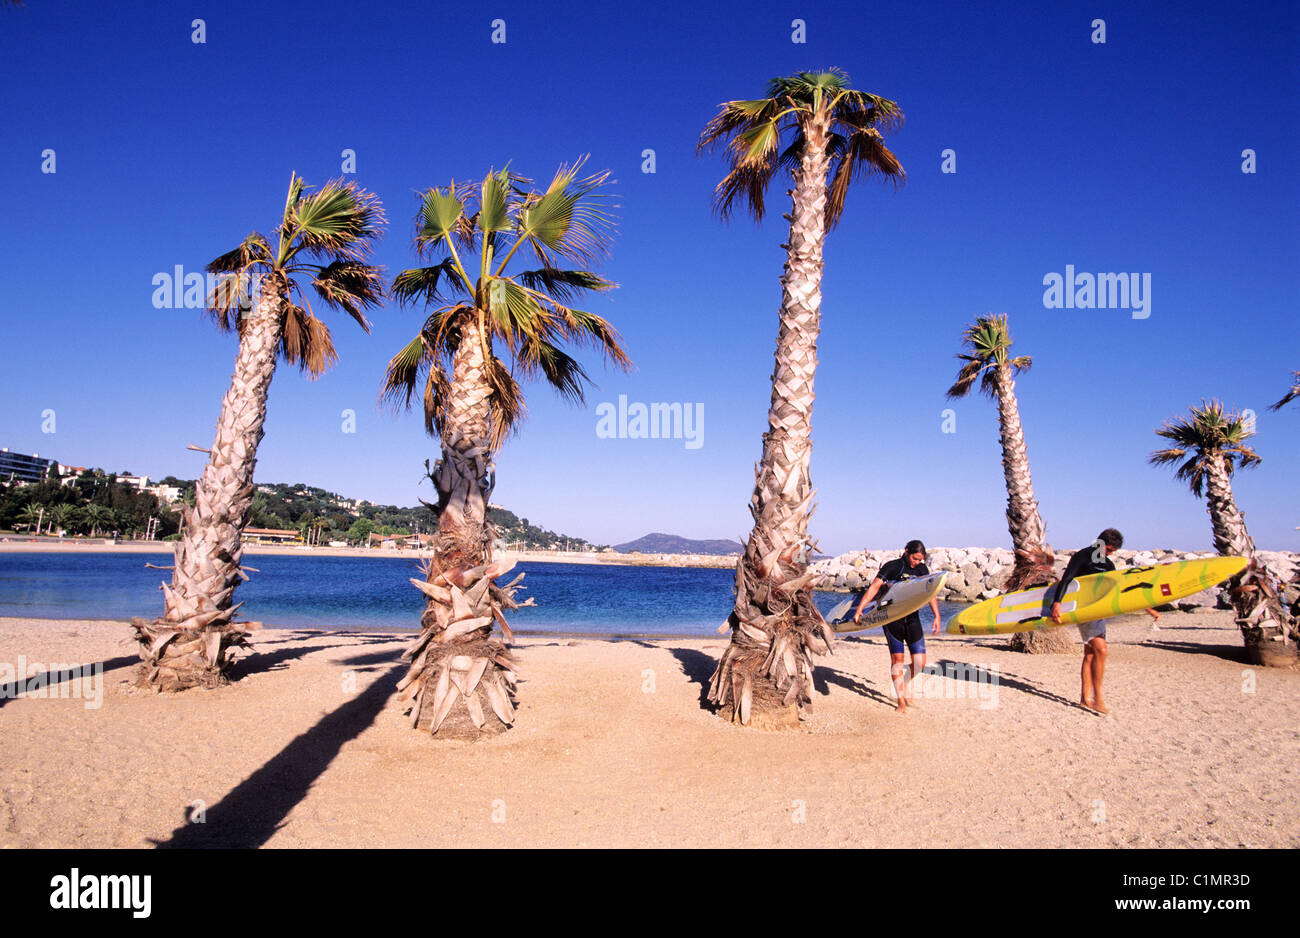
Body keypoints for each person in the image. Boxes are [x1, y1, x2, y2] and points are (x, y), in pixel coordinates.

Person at [854, 539, 941, 712]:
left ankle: (903, 681)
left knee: (920, 662)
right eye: (915, 558)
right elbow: (874, 587)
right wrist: (860, 609)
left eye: (920, 560)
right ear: (906, 551)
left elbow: (930, 593)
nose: (917, 563)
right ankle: (900, 700)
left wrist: (937, 615)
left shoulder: (923, 569)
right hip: (892, 619)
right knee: (898, 661)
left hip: (913, 619)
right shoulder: (893, 566)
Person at [1050, 528, 1123, 714]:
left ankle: (1084, 698)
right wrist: (1057, 604)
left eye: (1113, 552)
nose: (1111, 554)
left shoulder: (1108, 564)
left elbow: (1116, 589)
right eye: (1110, 550)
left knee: (1091, 653)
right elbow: (1066, 579)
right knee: (1102, 650)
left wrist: (1147, 606)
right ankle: (1098, 699)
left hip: (1099, 611)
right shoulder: (1082, 556)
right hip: (1084, 610)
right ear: (1102, 544)